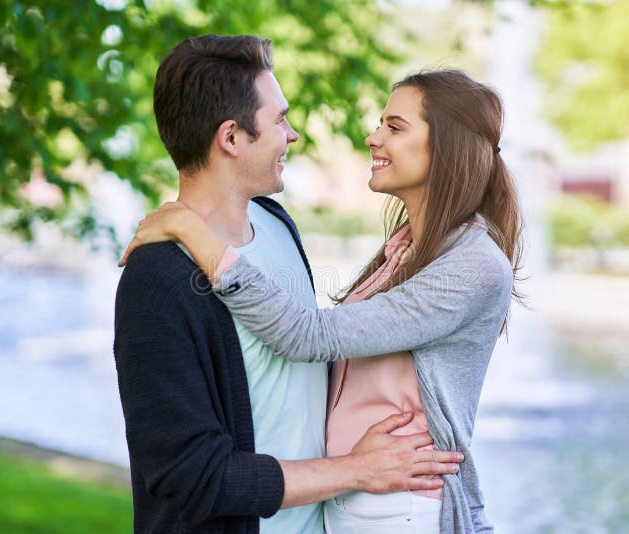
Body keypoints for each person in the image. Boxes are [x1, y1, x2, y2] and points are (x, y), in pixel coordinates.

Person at [122, 68, 523, 533]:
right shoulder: (407, 247)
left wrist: (193, 231)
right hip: (355, 501)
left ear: (448, 146)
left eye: (394, 127)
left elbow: (308, 335)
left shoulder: (472, 265)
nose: (373, 138)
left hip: (398, 506)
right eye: (381, 124)